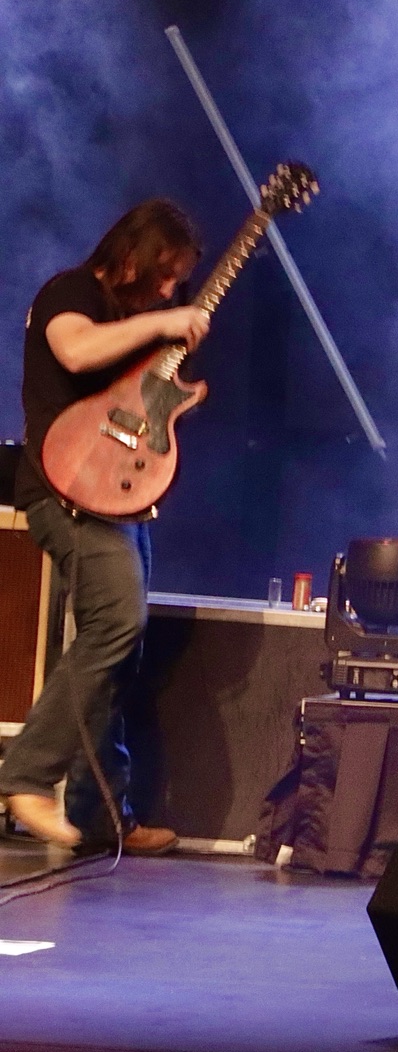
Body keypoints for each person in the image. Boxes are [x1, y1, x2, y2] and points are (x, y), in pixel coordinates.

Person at [0, 200, 209, 853]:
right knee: (115, 623)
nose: (170, 288)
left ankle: (100, 814)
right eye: (166, 273)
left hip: (117, 496)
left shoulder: (134, 319)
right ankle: (27, 776)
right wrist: (165, 319)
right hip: (64, 491)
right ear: (135, 257)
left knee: (121, 650)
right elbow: (76, 348)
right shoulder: (71, 290)